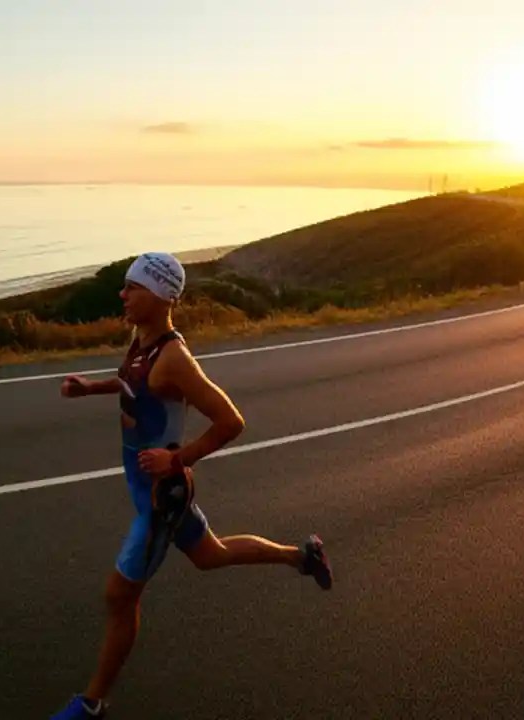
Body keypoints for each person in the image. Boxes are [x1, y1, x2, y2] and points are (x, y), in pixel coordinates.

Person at [51, 252, 332, 719]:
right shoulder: (141, 338)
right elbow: (131, 384)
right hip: (150, 488)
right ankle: (302, 556)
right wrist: (91, 388)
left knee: (120, 597)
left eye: (131, 288)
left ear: (161, 295)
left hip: (161, 500)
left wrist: (175, 458)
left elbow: (231, 421)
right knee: (211, 555)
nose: (122, 295)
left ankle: (92, 704)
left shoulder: (175, 359)